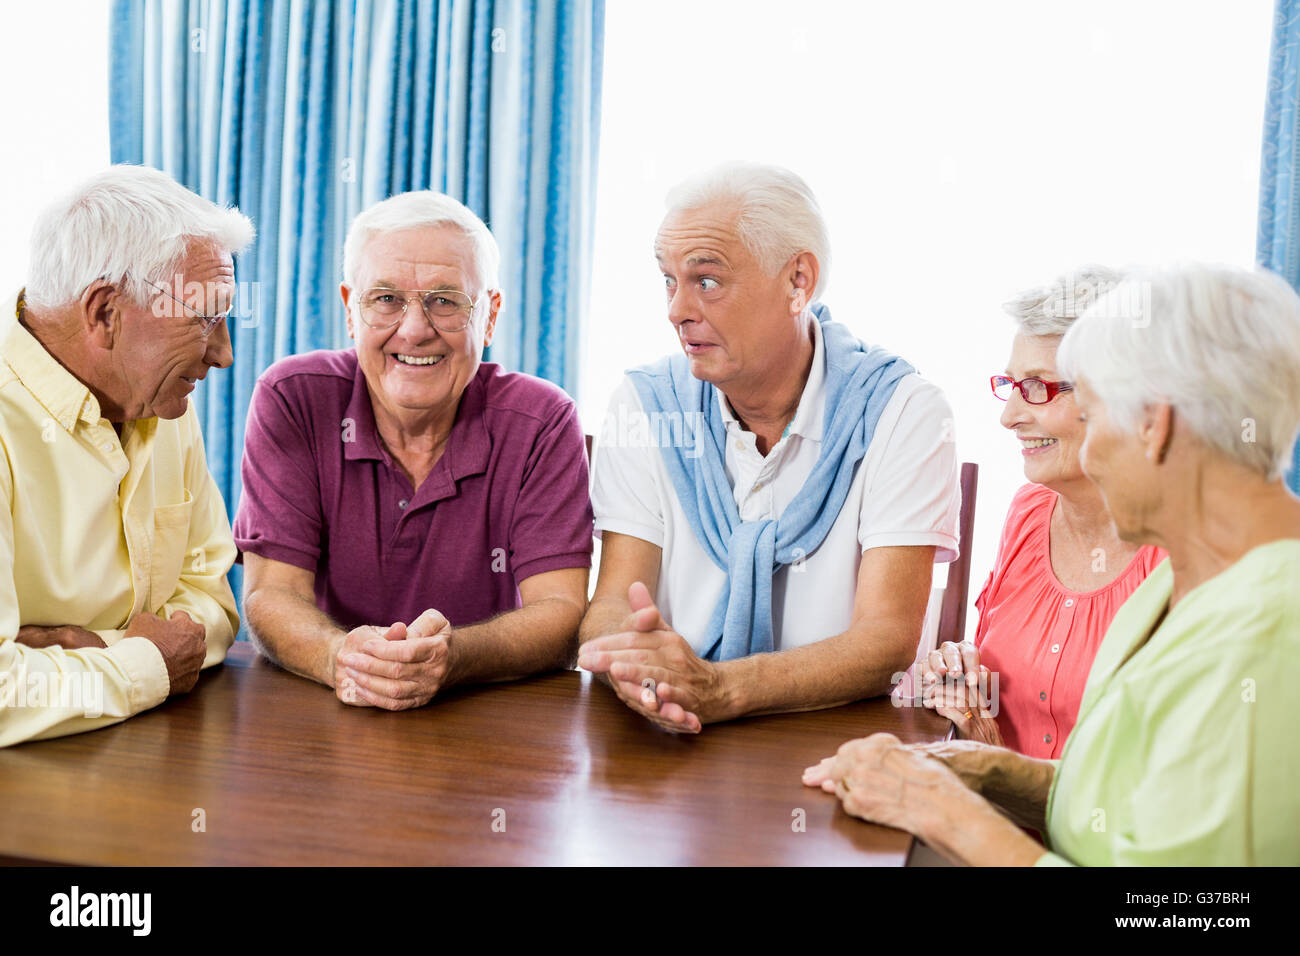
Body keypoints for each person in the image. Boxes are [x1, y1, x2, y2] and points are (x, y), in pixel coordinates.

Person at [805, 262, 1300, 865]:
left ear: (1155, 423)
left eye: (1094, 412)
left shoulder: (1267, 635)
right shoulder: (1198, 576)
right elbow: (1127, 797)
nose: (1091, 453)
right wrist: (986, 767)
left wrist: (944, 811)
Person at [577, 162, 960, 733]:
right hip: (668, 737)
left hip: (840, 744)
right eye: (668, 280)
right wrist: (637, 670)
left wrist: (719, 688)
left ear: (798, 282)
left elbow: (886, 640)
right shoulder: (645, 403)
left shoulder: (904, 410)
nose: (676, 310)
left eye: (707, 281)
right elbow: (612, 603)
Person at [235, 191, 592, 711]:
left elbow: (561, 611)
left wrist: (453, 657)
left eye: (445, 301)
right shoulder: (292, 397)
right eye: (386, 299)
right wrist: (340, 657)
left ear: (490, 316)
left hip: (487, 721)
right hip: (320, 715)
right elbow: (271, 593)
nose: (415, 330)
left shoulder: (543, 420)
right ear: (351, 310)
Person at [1, 164, 252, 747]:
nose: (224, 354)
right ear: (105, 312)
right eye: (204, 318)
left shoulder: (161, 401)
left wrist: (95, 651)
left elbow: (213, 604)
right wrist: (146, 661)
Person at [918, 267, 1165, 757]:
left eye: (1038, 386)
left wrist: (996, 763)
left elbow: (1173, 778)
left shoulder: (1190, 555)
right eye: (1010, 384)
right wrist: (963, 676)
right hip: (986, 798)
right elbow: (999, 678)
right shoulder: (1029, 510)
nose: (1009, 416)